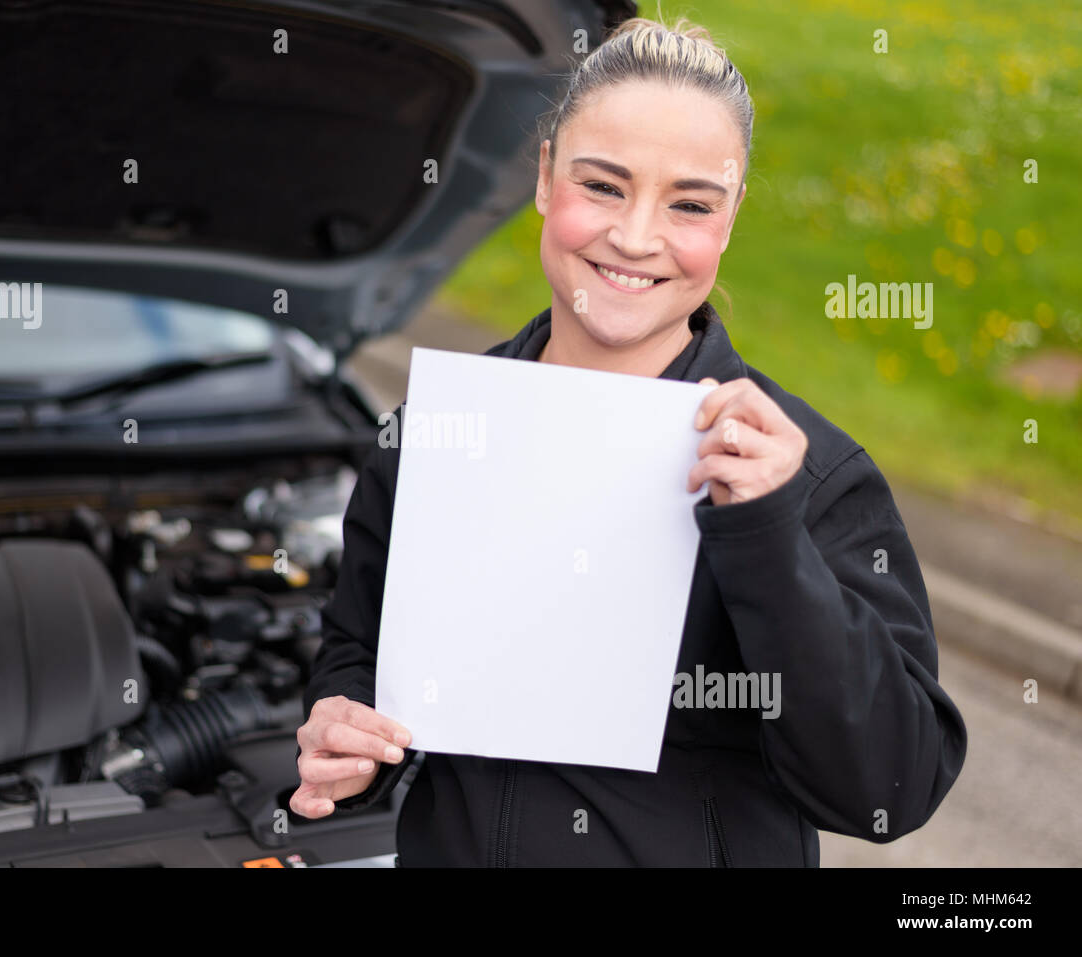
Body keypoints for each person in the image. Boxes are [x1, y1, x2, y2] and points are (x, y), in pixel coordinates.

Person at [291, 15, 968, 866]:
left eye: (689, 203)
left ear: (729, 219)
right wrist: (345, 724)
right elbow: (358, 647)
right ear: (544, 179)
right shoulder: (437, 426)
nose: (637, 237)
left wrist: (767, 536)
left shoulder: (815, 474)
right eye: (603, 186)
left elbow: (887, 788)